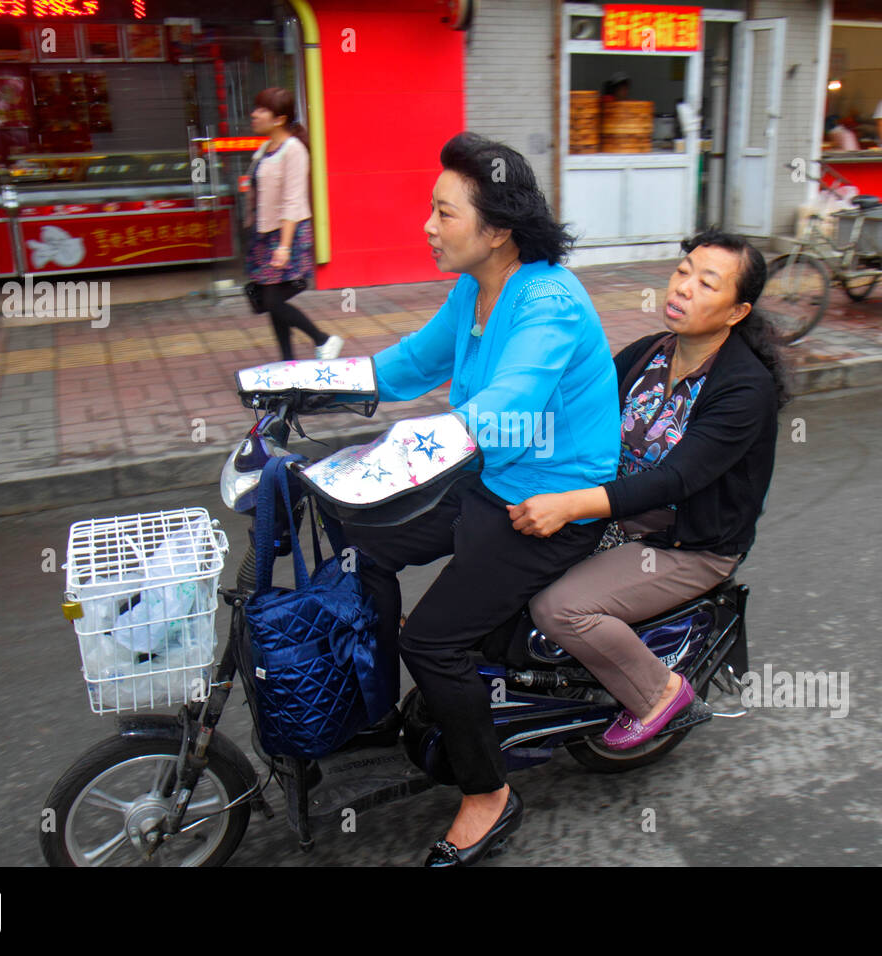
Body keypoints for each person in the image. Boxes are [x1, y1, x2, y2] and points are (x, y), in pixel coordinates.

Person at [344, 132, 620, 866]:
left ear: (497, 229)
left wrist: (404, 452)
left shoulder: (550, 302)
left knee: (431, 639)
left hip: (547, 502)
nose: (427, 226)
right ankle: (372, 714)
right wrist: (301, 384)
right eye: (429, 209)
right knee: (358, 548)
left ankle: (488, 795)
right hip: (487, 477)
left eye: (443, 213)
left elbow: (508, 403)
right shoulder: (475, 289)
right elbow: (410, 364)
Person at [509, 229, 788, 750]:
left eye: (707, 284)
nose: (683, 287)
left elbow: (676, 479)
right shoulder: (648, 355)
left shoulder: (745, 389)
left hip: (687, 545)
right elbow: (577, 411)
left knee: (559, 608)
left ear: (736, 312)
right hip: (614, 518)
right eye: (683, 271)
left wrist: (569, 505)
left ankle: (659, 694)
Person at [245, 87, 341, 361]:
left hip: (286, 234)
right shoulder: (265, 148)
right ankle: (287, 360)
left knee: (273, 300)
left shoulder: (294, 150)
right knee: (271, 300)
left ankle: (324, 340)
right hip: (265, 234)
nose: (254, 114)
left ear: (279, 119)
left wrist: (284, 247)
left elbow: (292, 199)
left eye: (262, 109)